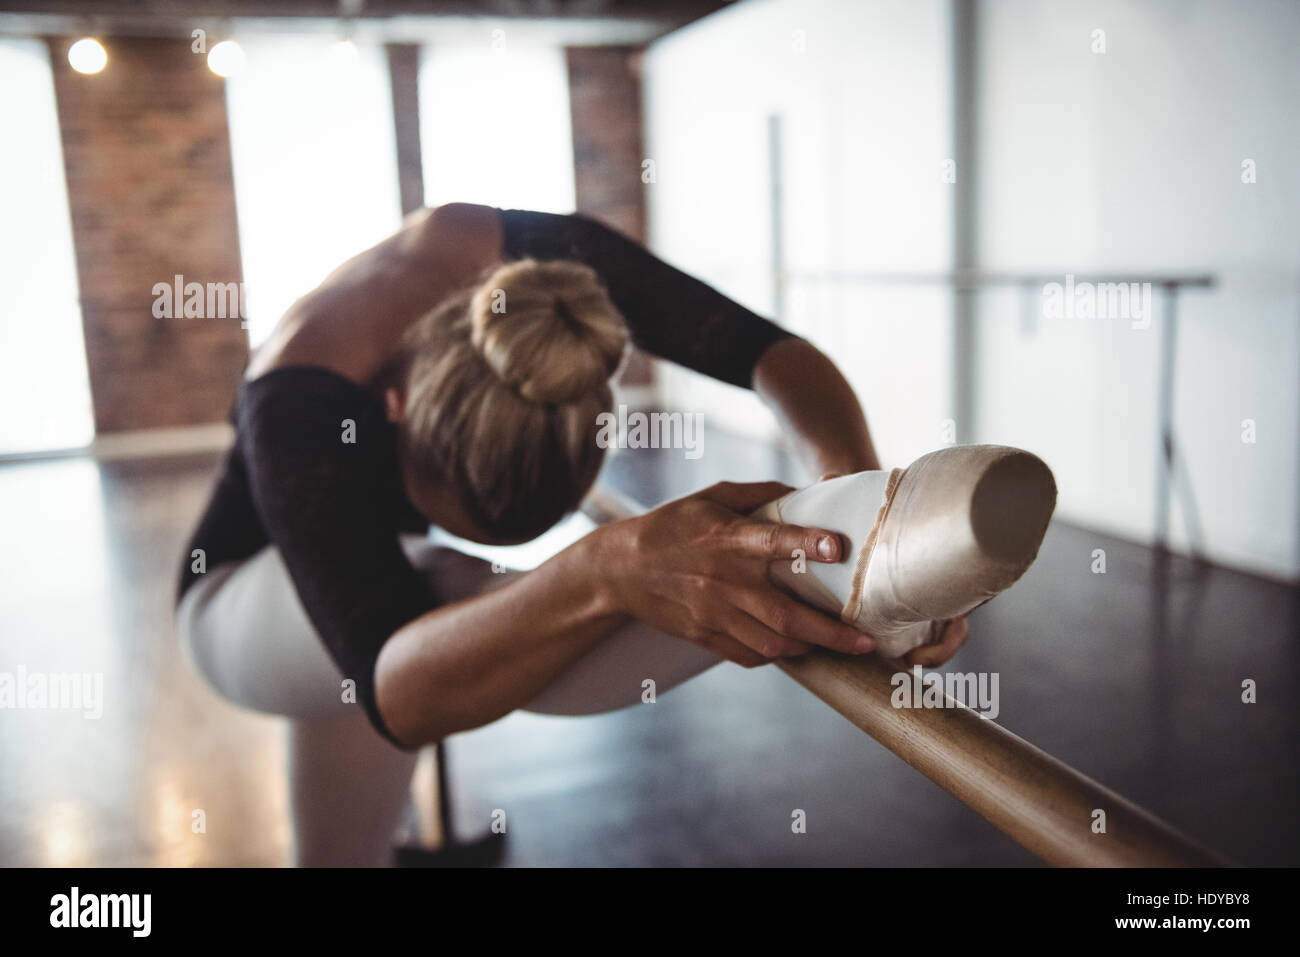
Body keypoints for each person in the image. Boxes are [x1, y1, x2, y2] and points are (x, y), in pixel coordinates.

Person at [174, 202, 969, 865]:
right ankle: (819, 576)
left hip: (367, 610)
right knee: (441, 587)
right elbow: (403, 691)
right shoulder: (298, 399)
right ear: (399, 408)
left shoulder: (550, 279)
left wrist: (855, 489)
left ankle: (838, 561)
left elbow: (773, 354)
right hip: (237, 601)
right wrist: (605, 567)